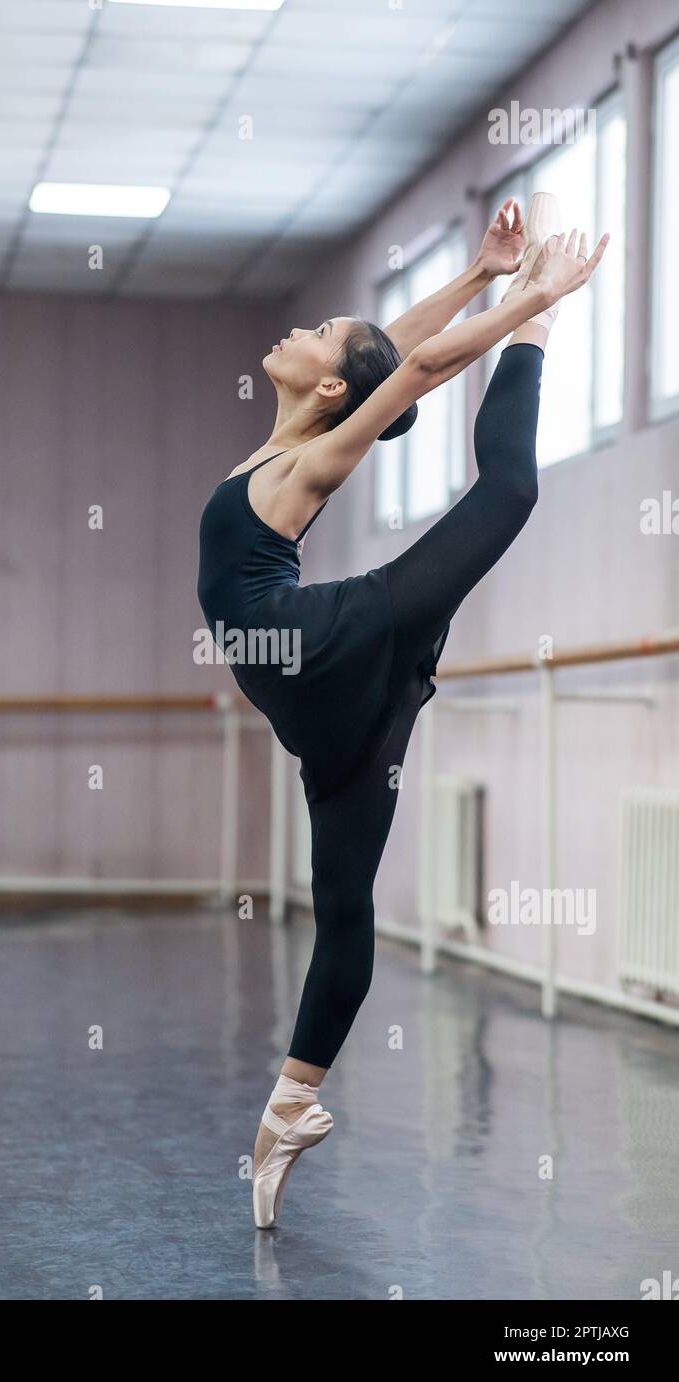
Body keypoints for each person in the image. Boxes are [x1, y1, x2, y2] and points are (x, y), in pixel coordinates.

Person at [197, 203, 609, 1229]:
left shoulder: (306, 464)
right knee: (342, 902)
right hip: (321, 696)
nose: (298, 332)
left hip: (331, 651)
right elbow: (400, 355)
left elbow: (408, 373)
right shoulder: (282, 449)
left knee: (509, 491)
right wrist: (481, 273)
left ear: (327, 384)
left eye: (316, 336)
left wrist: (534, 301)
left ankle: (290, 1104)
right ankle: (291, 1103)